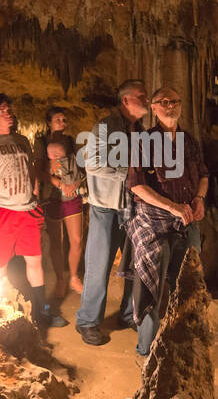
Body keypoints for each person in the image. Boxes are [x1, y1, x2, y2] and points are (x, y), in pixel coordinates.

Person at [126, 86, 208, 358]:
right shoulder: (144, 141)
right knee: (154, 286)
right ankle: (147, 349)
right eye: (164, 101)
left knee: (187, 282)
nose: (170, 105)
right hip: (155, 223)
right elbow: (137, 186)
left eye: (174, 101)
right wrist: (172, 207)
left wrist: (199, 198)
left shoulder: (189, 141)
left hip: (187, 223)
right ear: (153, 107)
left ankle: (180, 342)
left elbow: (204, 174)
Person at [0, 93, 67, 328]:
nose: (8, 113)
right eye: (2, 110)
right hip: (3, 212)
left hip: (27, 210)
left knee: (35, 261)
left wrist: (34, 195)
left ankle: (41, 310)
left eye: (9, 109)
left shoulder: (23, 140)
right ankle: (3, 308)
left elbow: (31, 170)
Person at [74, 79, 150, 346]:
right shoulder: (105, 127)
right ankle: (87, 321)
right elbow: (92, 163)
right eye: (142, 95)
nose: (147, 99)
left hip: (133, 207)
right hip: (106, 206)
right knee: (99, 264)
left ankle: (128, 314)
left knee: (133, 265)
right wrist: (128, 174)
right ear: (126, 100)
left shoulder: (141, 130)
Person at [40, 132, 87, 300]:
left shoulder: (70, 144)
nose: (62, 123)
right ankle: (60, 279)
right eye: (58, 119)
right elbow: (43, 173)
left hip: (72, 199)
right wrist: (61, 185)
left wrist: (75, 183)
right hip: (54, 199)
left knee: (76, 239)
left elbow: (82, 171)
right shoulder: (43, 145)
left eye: (63, 119)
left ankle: (73, 278)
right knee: (56, 241)